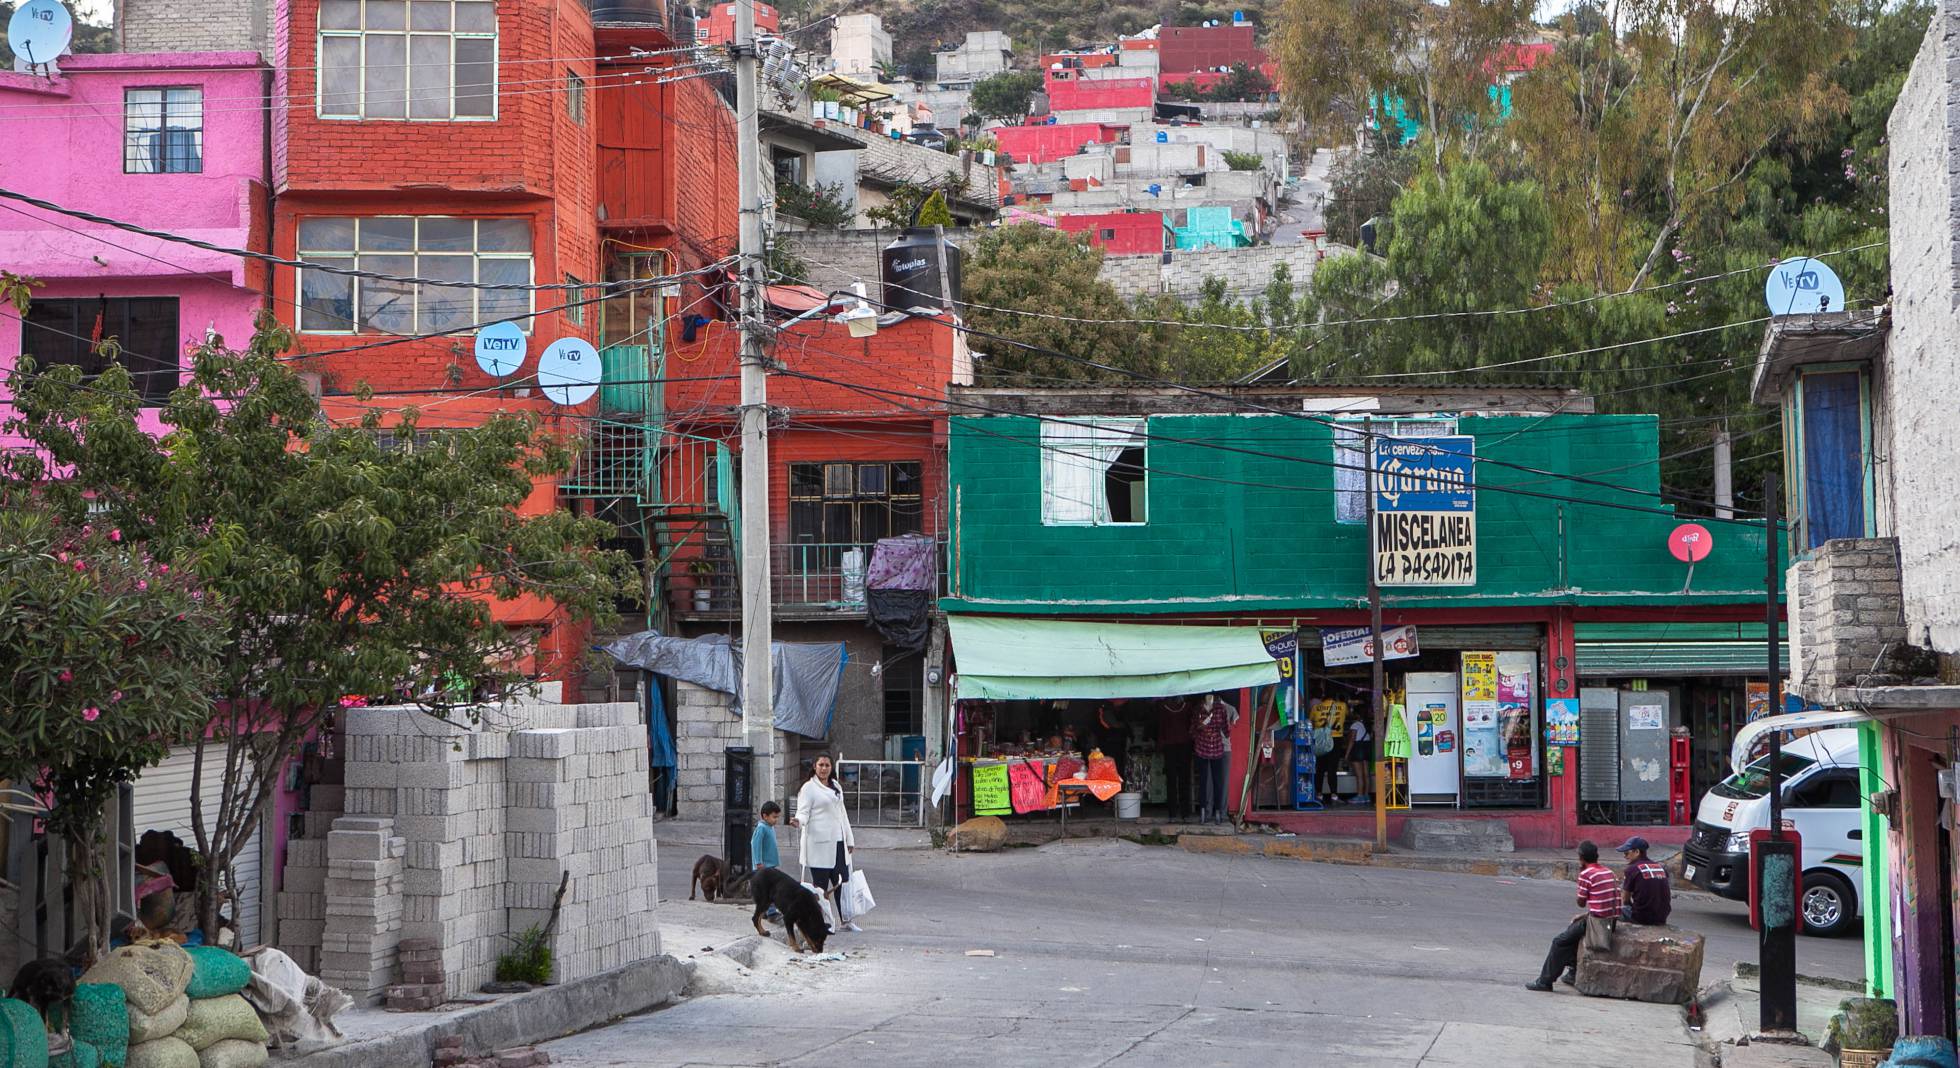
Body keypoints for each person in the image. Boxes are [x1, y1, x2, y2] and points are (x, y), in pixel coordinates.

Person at [1526, 840, 1621, 992]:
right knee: (1572, 929)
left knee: (1559, 942)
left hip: (1598, 922)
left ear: (1581, 858)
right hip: (1612, 919)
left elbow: (1581, 902)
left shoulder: (1586, 874)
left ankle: (1545, 981)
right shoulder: (1608, 872)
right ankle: (1573, 971)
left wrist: (1581, 881)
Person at [790, 754, 859, 933]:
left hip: (838, 841)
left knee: (842, 882)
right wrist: (798, 821)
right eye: (820, 765)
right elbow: (803, 812)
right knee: (820, 886)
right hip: (819, 844)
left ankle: (846, 919)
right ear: (814, 766)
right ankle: (823, 922)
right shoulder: (808, 788)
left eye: (827, 765)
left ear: (831, 767)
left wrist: (849, 839)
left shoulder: (836, 786)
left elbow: (842, 814)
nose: (824, 768)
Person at [1191, 693, 1237, 825]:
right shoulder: (1198, 710)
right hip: (1206, 748)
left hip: (1221, 748)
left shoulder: (1226, 709)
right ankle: (1209, 811)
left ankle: (1219, 812)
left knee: (1220, 782)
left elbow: (1228, 729)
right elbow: (1193, 729)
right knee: (1207, 782)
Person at [1618, 836, 1672, 926]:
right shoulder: (1660, 867)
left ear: (1637, 852)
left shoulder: (1632, 869)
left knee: (1609, 912)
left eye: (1626, 853)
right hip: (1662, 916)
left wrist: (1628, 906)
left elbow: (1625, 898)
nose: (1625, 856)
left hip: (1641, 917)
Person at [1159, 696, 1194, 821]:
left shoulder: (1163, 708)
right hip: (1185, 746)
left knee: (1171, 781)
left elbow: (1161, 730)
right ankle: (1185, 813)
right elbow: (1192, 727)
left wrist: (1160, 744)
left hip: (1169, 747)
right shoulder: (1188, 707)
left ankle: (1172, 814)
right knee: (1184, 780)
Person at [1344, 708, 1374, 805]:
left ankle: (1359, 795)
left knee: (1359, 775)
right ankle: (1366, 796)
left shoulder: (1355, 725)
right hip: (1367, 748)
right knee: (1366, 774)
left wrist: (1347, 754)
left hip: (1358, 748)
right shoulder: (1368, 725)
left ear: (1357, 715)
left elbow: (1352, 740)